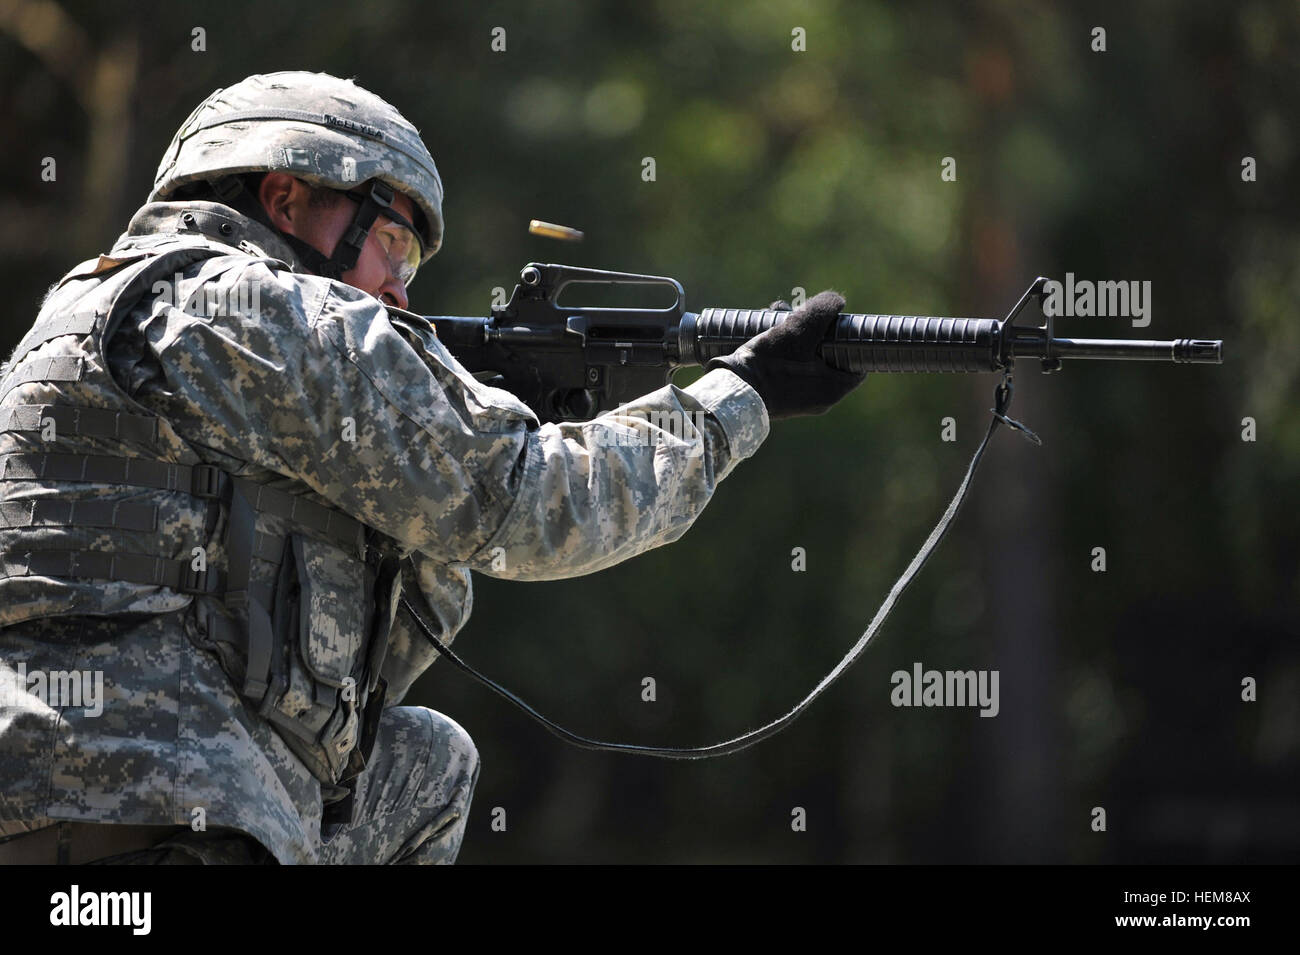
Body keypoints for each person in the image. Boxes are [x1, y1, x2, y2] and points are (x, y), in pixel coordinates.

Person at [0, 71, 863, 864]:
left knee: (425, 764)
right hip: (152, 806)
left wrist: (447, 417)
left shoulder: (85, 308)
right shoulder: (246, 303)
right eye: (391, 245)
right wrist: (739, 398)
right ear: (285, 197)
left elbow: (384, 657)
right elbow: (530, 506)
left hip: (91, 804)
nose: (401, 292)